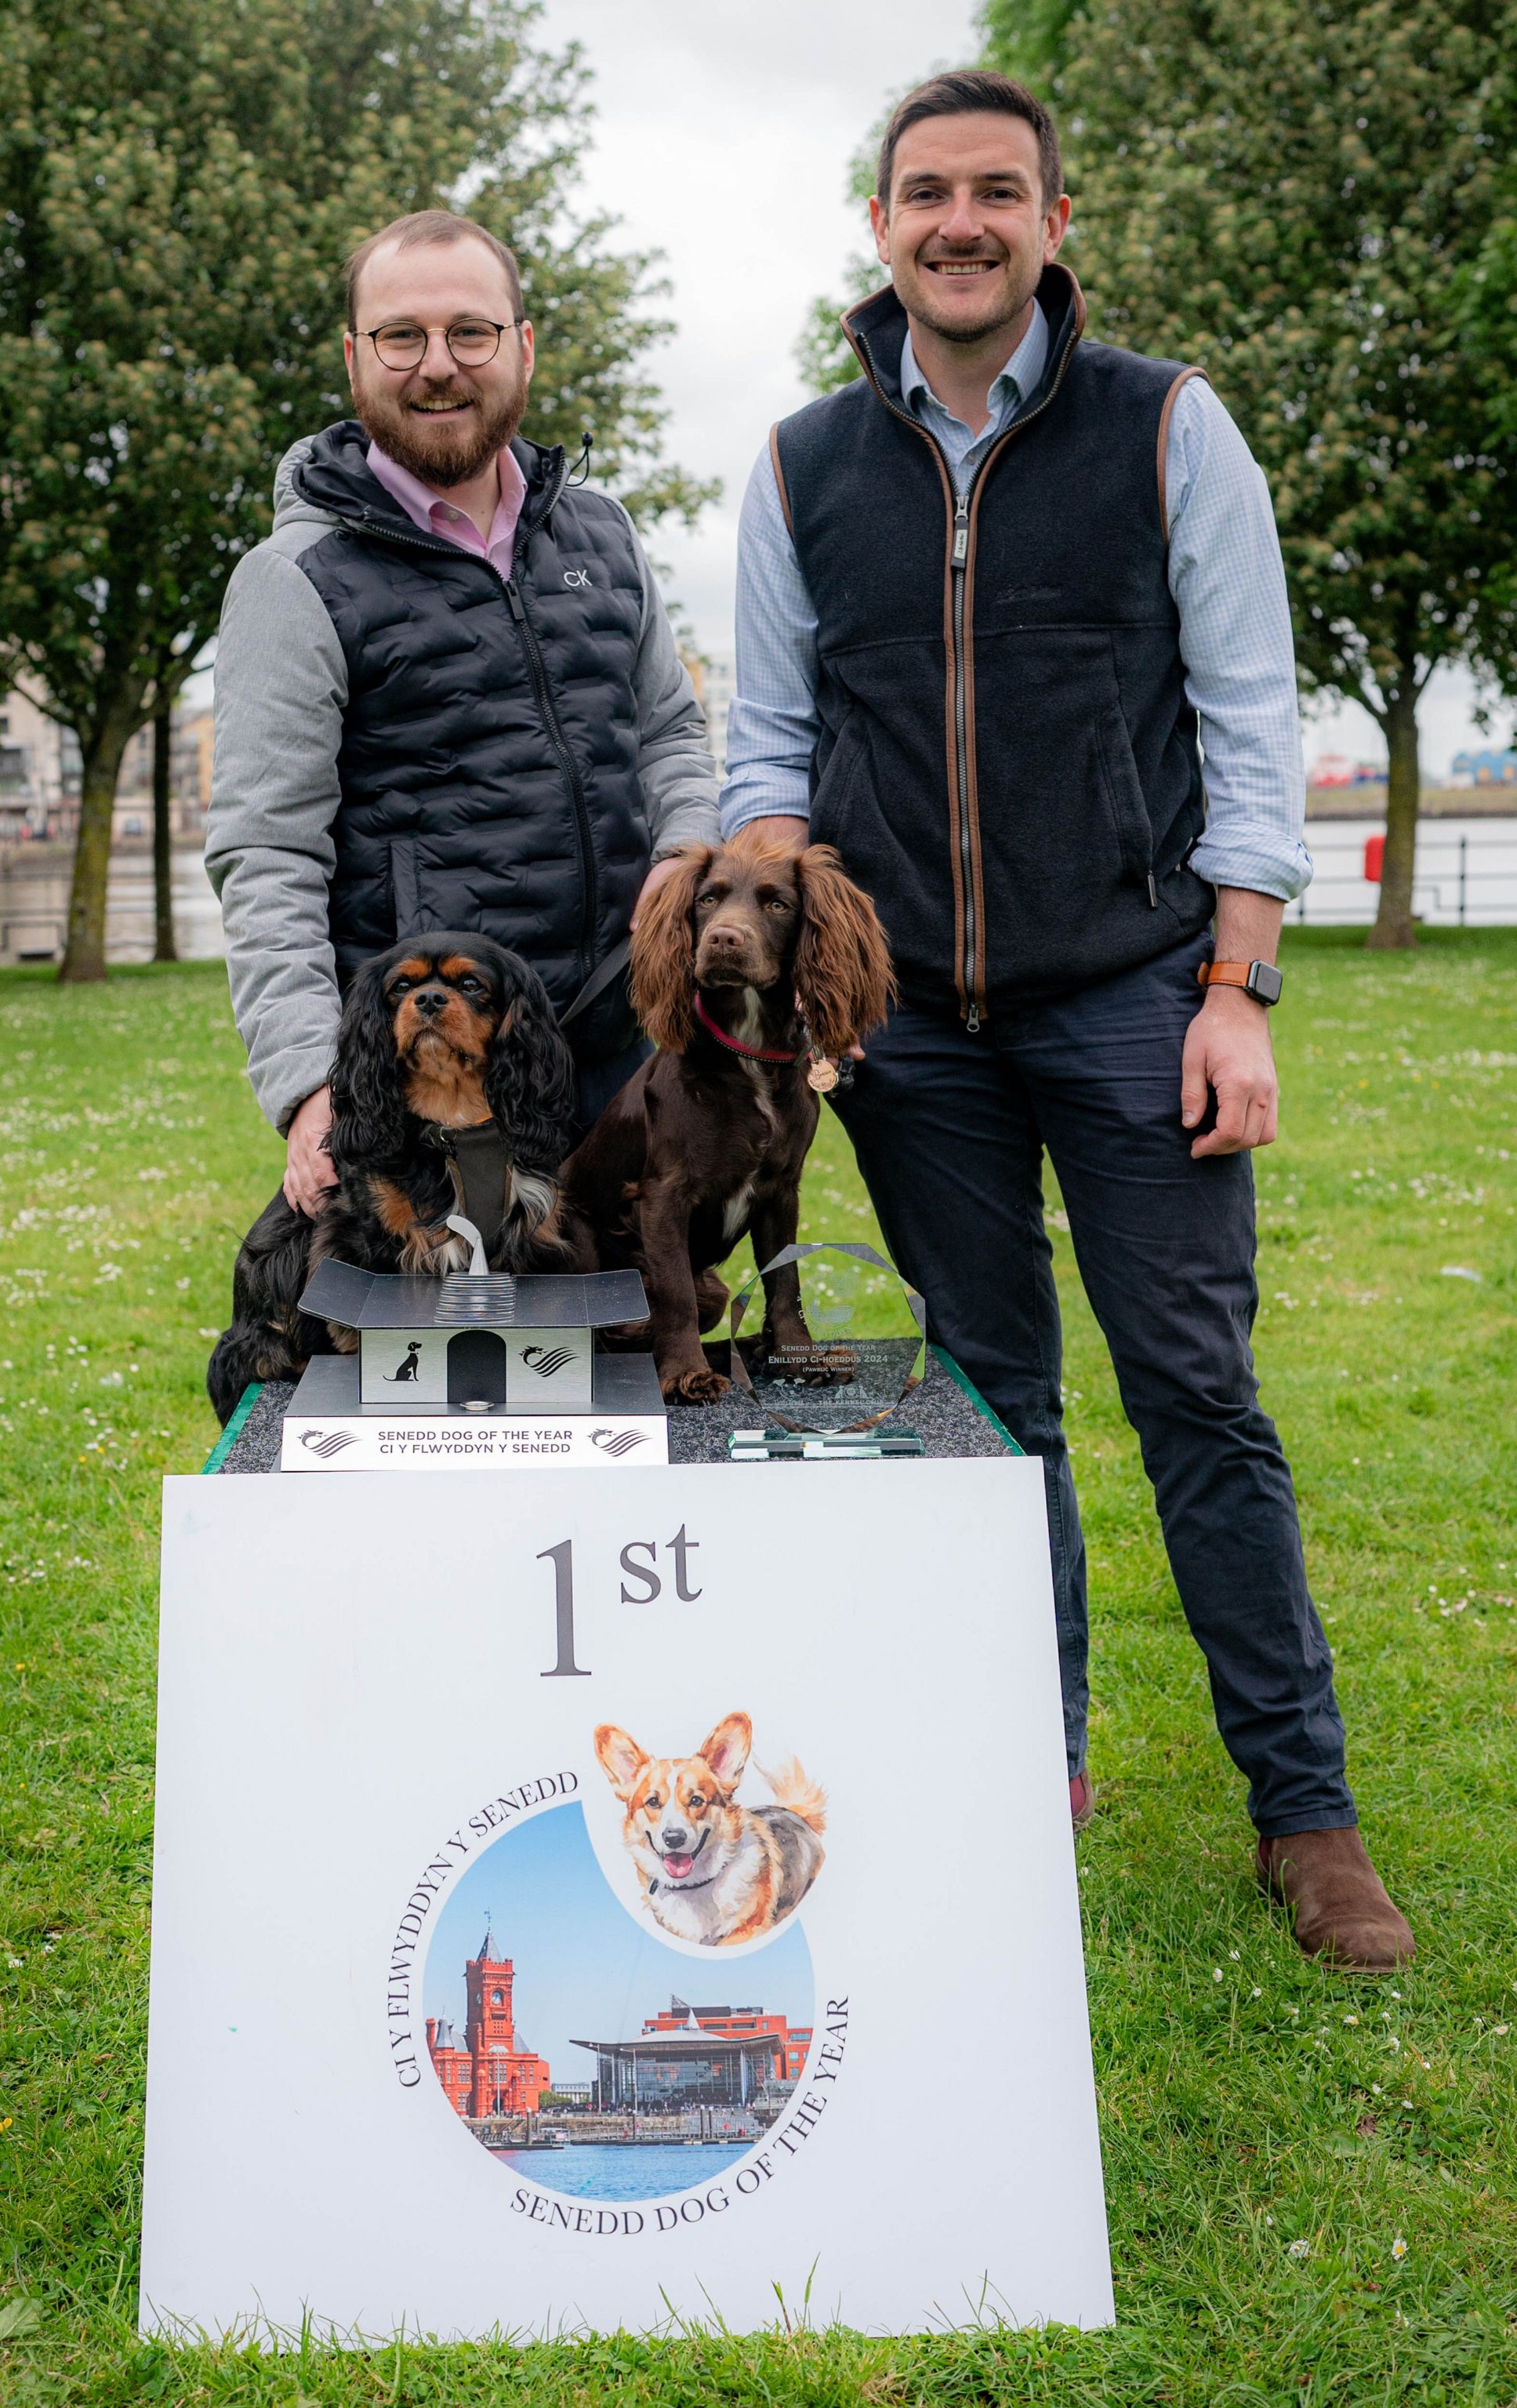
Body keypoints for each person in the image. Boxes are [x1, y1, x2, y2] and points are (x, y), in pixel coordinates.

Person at [722, 71, 1413, 1969]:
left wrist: (1234, 983)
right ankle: (1033, 1768)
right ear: (879, 228)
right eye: (925, 193)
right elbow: (768, 752)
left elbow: (1252, 717)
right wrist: (794, 991)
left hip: (1134, 998)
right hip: (913, 1042)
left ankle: (1303, 1808)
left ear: (1049, 222)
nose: (960, 222)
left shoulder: (1168, 426)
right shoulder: (795, 466)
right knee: (990, 1406)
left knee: (1196, 1397)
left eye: (996, 193)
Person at [206, 209, 719, 1209]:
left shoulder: (603, 533)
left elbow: (668, 731)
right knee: (447, 1364)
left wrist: (679, 879)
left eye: (468, 332)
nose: (436, 363)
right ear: (355, 360)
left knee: (641, 1353)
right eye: (401, 335)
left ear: (521, 348)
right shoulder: (293, 579)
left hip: (627, 1054)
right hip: (434, 1085)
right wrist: (310, 1084)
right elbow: (269, 853)